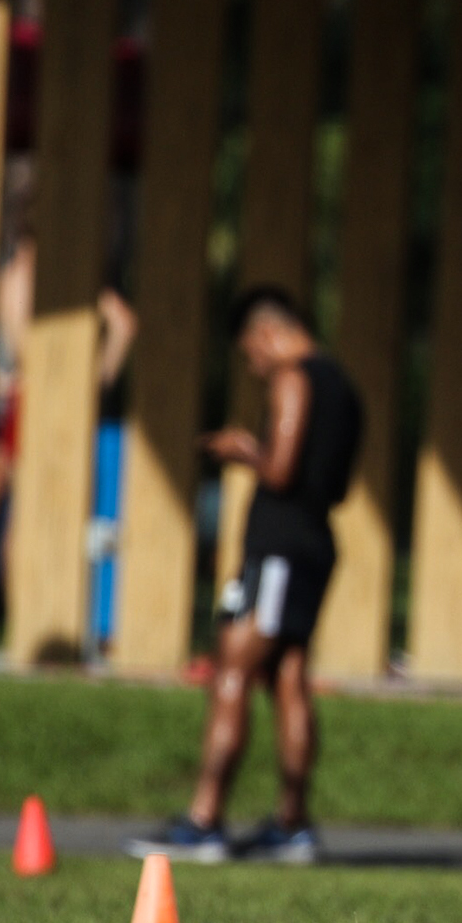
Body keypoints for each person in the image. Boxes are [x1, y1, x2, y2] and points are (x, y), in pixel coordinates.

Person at [127, 287, 364, 865]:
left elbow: (281, 469)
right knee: (287, 675)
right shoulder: (345, 389)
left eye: (249, 354)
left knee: (232, 665)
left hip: (278, 547)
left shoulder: (292, 378)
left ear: (265, 333)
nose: (254, 366)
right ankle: (292, 824)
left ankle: (204, 819)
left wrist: (243, 449)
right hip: (316, 541)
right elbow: (335, 484)